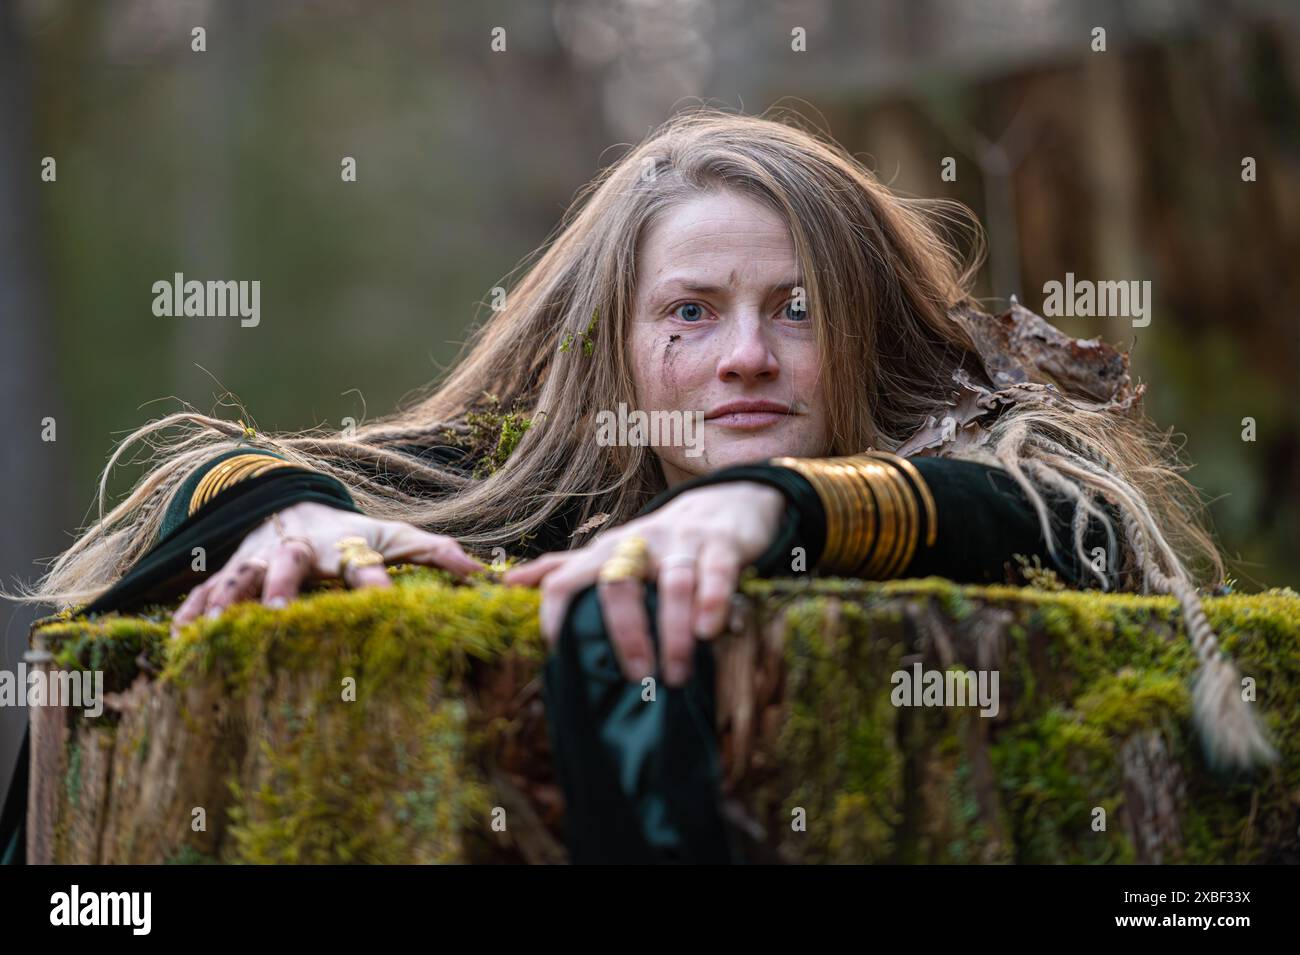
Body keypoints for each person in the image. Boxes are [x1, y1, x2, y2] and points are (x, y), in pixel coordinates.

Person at [2, 108, 1273, 864]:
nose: (744, 356)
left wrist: (778, 504)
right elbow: (229, 473)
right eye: (689, 311)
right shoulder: (550, 472)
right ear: (610, 345)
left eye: (797, 307)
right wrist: (314, 527)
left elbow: (1071, 516)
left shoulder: (993, 453)